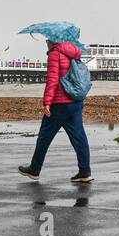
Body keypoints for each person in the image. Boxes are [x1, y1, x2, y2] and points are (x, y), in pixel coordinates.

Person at [18, 39, 92, 183]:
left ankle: (34, 169)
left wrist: (47, 102)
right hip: (75, 102)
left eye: (47, 40)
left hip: (60, 104)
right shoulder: (74, 52)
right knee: (79, 138)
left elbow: (52, 81)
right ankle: (85, 171)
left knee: (44, 137)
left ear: (52, 41)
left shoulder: (55, 54)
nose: (46, 42)